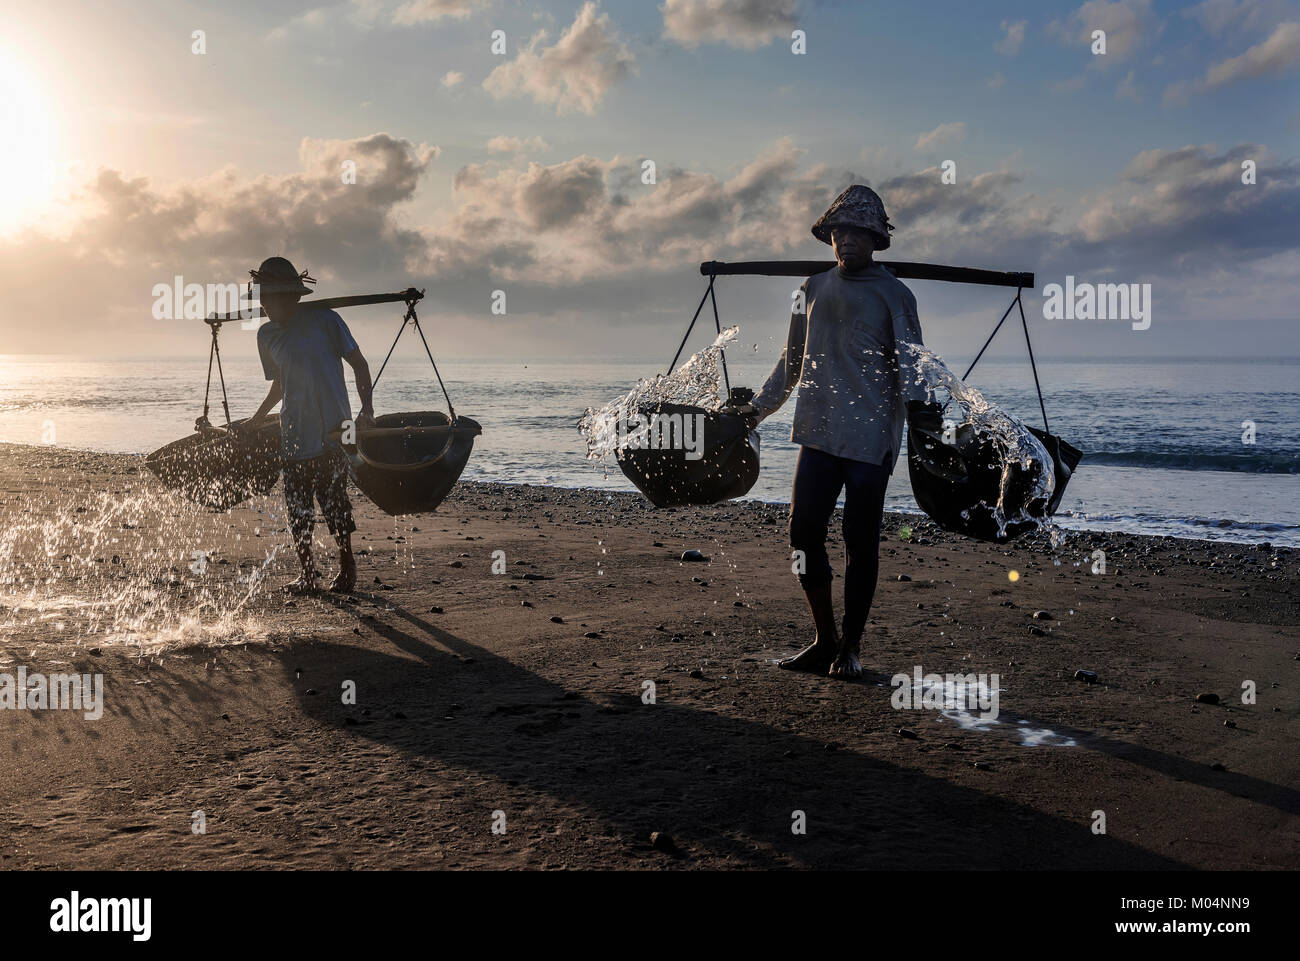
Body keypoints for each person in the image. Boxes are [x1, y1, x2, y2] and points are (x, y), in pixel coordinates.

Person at [746, 186, 931, 679]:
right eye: (839, 231)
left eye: (857, 232)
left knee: (859, 538)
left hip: (871, 438)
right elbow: (791, 363)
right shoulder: (811, 288)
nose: (846, 240)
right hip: (819, 431)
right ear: (830, 237)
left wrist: (925, 432)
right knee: (802, 531)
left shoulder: (895, 295)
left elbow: (915, 369)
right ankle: (823, 637)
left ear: (874, 239)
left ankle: (850, 646)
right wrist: (756, 412)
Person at [242, 257, 374, 594]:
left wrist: (367, 411)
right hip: (294, 434)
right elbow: (281, 383)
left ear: (293, 297)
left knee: (334, 502)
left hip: (335, 430)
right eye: (263, 299)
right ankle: (307, 574)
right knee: (298, 508)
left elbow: (359, 365)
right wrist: (258, 417)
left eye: (272, 298)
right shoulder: (266, 335)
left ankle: (347, 565)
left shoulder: (327, 321)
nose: (267, 305)